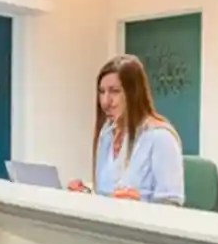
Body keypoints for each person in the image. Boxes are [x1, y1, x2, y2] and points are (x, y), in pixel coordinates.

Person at [69, 55, 185, 204]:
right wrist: (86, 192)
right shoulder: (106, 134)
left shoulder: (160, 137)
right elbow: (106, 193)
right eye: (102, 92)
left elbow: (172, 204)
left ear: (134, 93)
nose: (106, 101)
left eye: (114, 91)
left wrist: (139, 204)